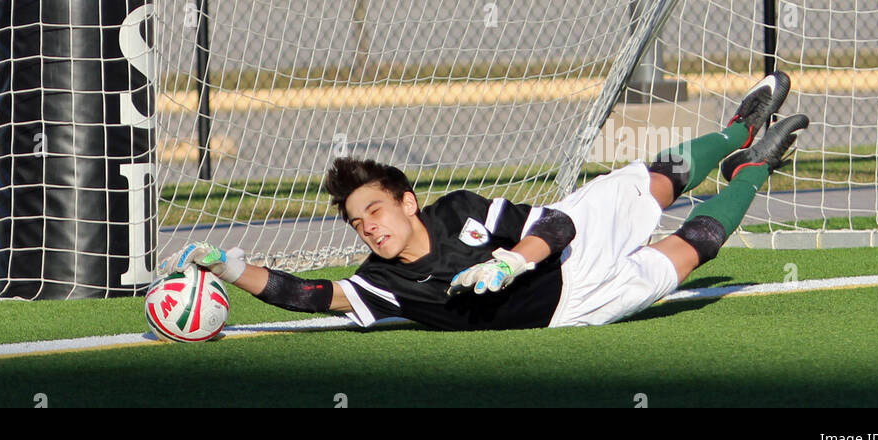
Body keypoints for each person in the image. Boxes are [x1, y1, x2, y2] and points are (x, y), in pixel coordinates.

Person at [162, 73, 808, 331]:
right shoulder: (382, 284)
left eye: (376, 211)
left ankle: (739, 131)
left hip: (569, 244)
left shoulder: (460, 209)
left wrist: (509, 263)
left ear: (408, 201)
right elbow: (304, 295)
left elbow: (552, 223)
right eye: (359, 223)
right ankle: (754, 168)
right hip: (579, 308)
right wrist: (225, 264)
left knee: (654, 177)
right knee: (695, 246)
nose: (370, 229)